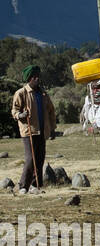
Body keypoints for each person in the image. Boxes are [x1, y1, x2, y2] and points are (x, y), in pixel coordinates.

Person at [10, 65, 58, 194]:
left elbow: (51, 111)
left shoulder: (43, 94)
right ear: (29, 79)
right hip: (29, 131)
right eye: (34, 77)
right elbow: (15, 110)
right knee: (31, 158)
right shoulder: (21, 93)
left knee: (40, 158)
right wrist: (20, 115)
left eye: (38, 76)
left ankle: (35, 185)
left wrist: (52, 128)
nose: (37, 79)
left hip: (42, 131)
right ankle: (22, 186)